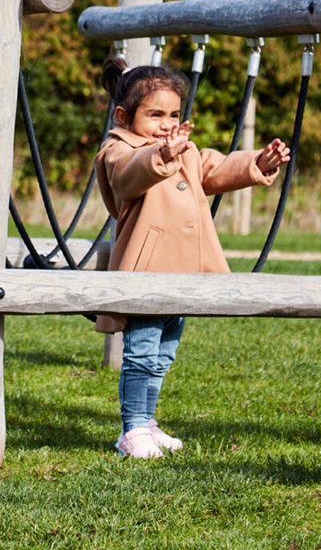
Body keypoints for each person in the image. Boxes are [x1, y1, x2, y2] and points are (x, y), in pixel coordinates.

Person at [95, 56, 290, 459]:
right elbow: (130, 176)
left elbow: (215, 168)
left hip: (183, 274)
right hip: (146, 274)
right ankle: (131, 430)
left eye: (174, 114)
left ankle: (147, 421)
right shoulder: (118, 151)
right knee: (142, 352)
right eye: (155, 114)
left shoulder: (183, 149)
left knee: (163, 354)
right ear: (123, 115)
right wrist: (162, 156)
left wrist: (257, 162)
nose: (167, 123)